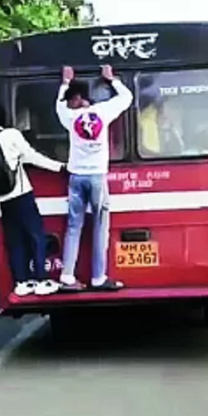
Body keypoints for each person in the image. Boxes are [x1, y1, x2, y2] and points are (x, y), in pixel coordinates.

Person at [0, 109, 67, 296]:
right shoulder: (10, 135)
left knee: (15, 242)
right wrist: (60, 166)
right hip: (21, 194)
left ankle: (21, 282)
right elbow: (31, 156)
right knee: (36, 236)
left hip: (2, 200)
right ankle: (41, 279)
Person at [55, 64, 133, 291]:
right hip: (97, 177)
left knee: (73, 226)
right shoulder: (103, 112)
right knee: (100, 226)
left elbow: (57, 106)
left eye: (71, 99)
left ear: (78, 98)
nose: (69, 103)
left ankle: (67, 276)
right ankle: (98, 277)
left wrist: (64, 83)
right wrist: (111, 79)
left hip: (76, 177)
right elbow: (127, 97)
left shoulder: (70, 117)